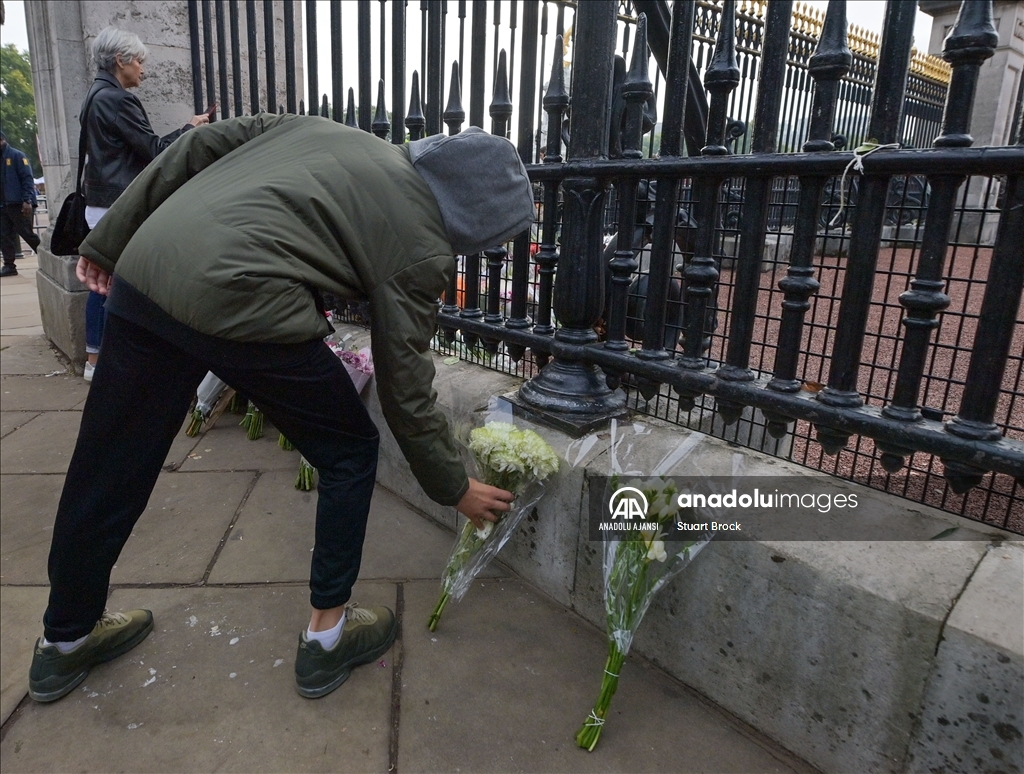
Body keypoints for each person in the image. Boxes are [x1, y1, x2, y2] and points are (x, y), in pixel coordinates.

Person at [27, 116, 535, 703]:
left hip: (147, 269)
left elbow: (194, 144)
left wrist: (111, 238)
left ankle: (63, 642)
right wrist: (454, 488)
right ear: (475, 223)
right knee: (348, 450)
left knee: (108, 464)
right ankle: (326, 640)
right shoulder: (421, 244)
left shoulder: (326, 132)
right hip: (244, 300)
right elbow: (406, 389)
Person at [79, 27, 210, 380]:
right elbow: (155, 153)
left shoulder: (95, 93)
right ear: (120, 60)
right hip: (118, 205)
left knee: (100, 281)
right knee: (121, 287)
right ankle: (114, 367)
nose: (143, 69)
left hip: (99, 202)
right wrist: (189, 128)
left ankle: (94, 360)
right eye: (138, 61)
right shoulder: (118, 99)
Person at [0, 130, 40, 277]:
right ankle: (9, 265)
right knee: (4, 236)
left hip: (19, 203)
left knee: (27, 234)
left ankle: (46, 258)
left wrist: (28, 200)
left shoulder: (17, 156)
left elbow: (27, 179)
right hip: (4, 205)